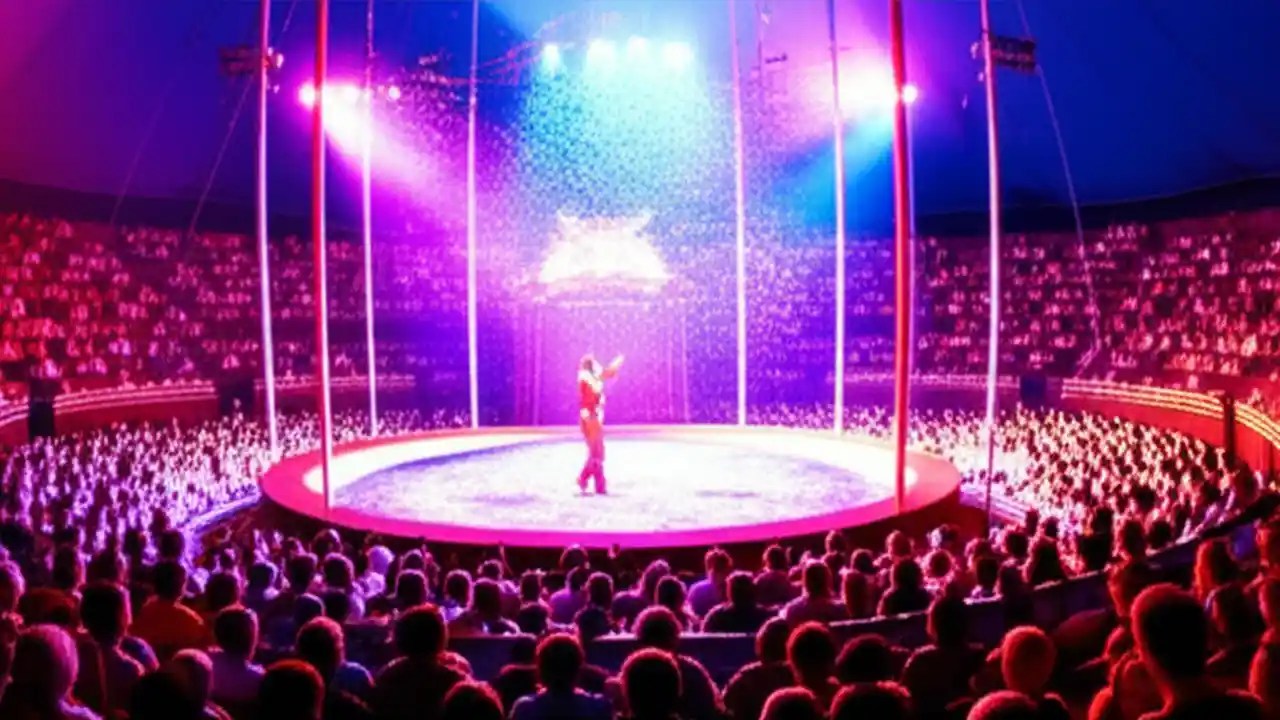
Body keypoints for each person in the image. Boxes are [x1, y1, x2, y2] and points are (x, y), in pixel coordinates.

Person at [576, 353, 623, 495]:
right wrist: (615, 364)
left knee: (596, 452)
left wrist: (615, 366)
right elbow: (605, 375)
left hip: (592, 418)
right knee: (597, 452)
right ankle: (584, 478)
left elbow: (606, 374)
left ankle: (599, 485)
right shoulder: (586, 377)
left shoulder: (591, 378)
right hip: (590, 418)